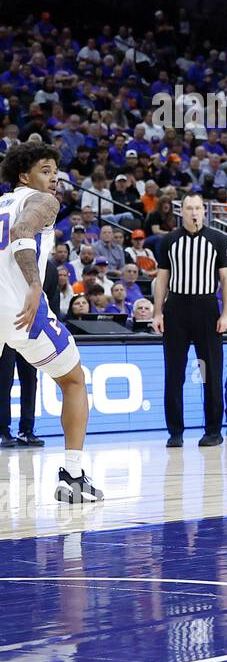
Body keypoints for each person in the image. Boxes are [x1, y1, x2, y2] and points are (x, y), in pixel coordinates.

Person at [0, 142, 99, 502]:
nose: (54, 178)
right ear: (24, 176)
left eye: (55, 171)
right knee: (73, 380)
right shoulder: (42, 201)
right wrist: (34, 283)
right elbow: (22, 232)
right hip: (19, 309)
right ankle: (72, 477)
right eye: (45, 170)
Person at [153, 193, 227, 448]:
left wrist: (226, 313)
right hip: (176, 309)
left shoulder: (219, 240)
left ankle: (213, 431)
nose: (194, 212)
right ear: (182, 211)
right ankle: (175, 432)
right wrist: (157, 312)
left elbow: (226, 280)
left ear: (204, 211)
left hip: (207, 308)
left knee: (210, 373)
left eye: (198, 208)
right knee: (174, 374)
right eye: (189, 208)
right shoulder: (168, 240)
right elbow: (162, 279)